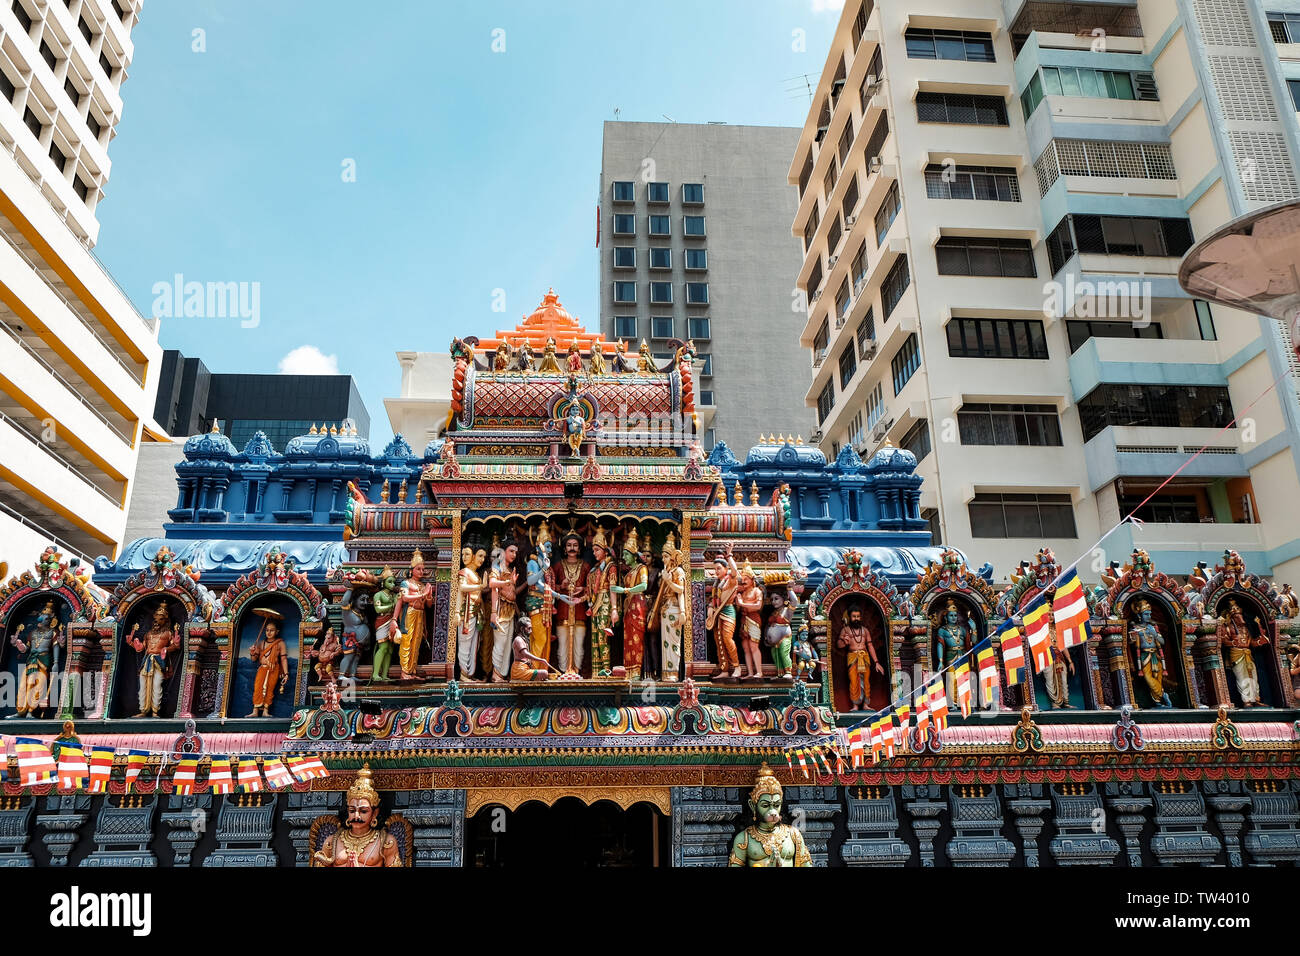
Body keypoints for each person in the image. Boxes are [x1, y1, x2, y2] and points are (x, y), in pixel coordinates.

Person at [312, 764, 402, 867]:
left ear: (374, 813)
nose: (356, 816)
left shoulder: (386, 842)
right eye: (352, 810)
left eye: (363, 811)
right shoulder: (332, 841)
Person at [728, 762, 812, 867]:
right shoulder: (744, 839)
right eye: (765, 805)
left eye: (776, 805)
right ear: (753, 805)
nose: (772, 811)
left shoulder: (793, 835)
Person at [8, 600, 65, 718]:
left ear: (51, 620)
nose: (41, 618)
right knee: (24, 685)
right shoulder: (33, 633)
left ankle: (31, 711)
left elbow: (55, 647)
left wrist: (56, 662)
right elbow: (25, 649)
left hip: (44, 660)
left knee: (38, 685)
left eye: (44, 617)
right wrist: (18, 644)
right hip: (31, 660)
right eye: (40, 615)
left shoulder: (53, 632)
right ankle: (21, 711)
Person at [126, 600, 181, 717]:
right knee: (143, 687)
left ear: (165, 620)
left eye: (160, 618)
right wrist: (133, 643)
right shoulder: (148, 634)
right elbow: (141, 648)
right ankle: (143, 710)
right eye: (155, 617)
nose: (156, 620)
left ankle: (155, 711)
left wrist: (168, 648)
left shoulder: (168, 633)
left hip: (159, 661)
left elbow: (175, 646)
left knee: (156, 685)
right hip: (146, 661)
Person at [1217, 599, 1270, 707]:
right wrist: (1232, 642)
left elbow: (1251, 643)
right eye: (1235, 613)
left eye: (1238, 611)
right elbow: (1222, 640)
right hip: (1236, 653)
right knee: (1242, 677)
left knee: (1253, 676)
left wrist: (1260, 641)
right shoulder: (1228, 627)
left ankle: (1255, 698)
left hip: (1248, 653)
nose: (1238, 615)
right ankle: (1246, 700)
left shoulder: (1246, 628)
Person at [553, 531, 589, 677]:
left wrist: (583, 589)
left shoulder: (586, 566)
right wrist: (561, 586)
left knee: (578, 646)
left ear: (579, 548)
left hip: (580, 611)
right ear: (564, 548)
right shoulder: (557, 566)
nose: (572, 548)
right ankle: (564, 672)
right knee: (562, 646)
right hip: (562, 611)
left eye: (575, 545)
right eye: (569, 545)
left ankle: (577, 672)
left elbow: (593, 588)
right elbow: (549, 587)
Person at [395, 550, 434, 681]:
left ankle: (412, 670)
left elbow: (429, 605)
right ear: (412, 570)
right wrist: (423, 594)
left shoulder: (422, 585)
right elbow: (405, 598)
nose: (421, 572)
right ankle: (404, 671)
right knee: (407, 640)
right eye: (418, 569)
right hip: (409, 613)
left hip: (420, 614)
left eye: (423, 569)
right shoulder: (406, 583)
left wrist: (429, 595)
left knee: (416, 642)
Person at [707, 543, 743, 681]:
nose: (716, 571)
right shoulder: (716, 584)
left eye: (718, 568)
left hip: (728, 612)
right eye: (715, 569)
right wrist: (710, 610)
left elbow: (734, 571)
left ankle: (737, 666)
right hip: (717, 615)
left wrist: (729, 555)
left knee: (727, 639)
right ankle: (724, 669)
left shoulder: (730, 581)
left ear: (725, 568)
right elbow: (712, 600)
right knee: (719, 640)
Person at [837, 603, 882, 712]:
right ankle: (855, 706)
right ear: (850, 617)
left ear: (861, 617)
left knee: (866, 681)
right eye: (854, 616)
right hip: (852, 657)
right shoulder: (846, 630)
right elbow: (839, 645)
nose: (856, 619)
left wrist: (876, 662)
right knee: (854, 681)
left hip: (865, 657)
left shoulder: (865, 630)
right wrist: (844, 641)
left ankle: (866, 704)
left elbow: (870, 645)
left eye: (858, 616)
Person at [488, 539, 521, 682]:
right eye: (511, 551)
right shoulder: (497, 568)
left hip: (510, 610)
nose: (514, 554)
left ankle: (502, 673)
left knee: (508, 645)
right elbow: (492, 584)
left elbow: (512, 592)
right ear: (503, 552)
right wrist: (494, 613)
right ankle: (495, 674)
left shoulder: (508, 570)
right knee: (500, 643)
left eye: (515, 552)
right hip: (500, 610)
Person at [246, 614, 290, 717]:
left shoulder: (280, 643)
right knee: (258, 688)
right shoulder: (261, 643)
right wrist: (252, 652)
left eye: (272, 630)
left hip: (273, 669)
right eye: (267, 630)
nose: (269, 632)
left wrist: (286, 673)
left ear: (277, 631)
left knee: (269, 689)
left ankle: (266, 711)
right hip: (262, 669)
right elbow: (254, 659)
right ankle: (255, 711)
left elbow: (283, 659)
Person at [586, 527, 616, 677]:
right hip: (596, 602)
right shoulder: (595, 570)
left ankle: (607, 669)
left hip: (606, 602)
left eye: (597, 550)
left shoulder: (611, 567)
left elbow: (613, 588)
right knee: (595, 637)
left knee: (603, 636)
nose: (595, 553)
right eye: (593, 550)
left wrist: (615, 609)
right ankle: (596, 671)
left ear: (605, 550)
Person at [455, 546, 486, 682]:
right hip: (465, 612)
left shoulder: (476, 575)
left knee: (475, 644)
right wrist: (456, 612)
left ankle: (470, 673)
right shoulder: (464, 572)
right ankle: (463, 674)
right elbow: (461, 589)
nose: (464, 557)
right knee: (465, 643)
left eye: (467, 554)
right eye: (464, 554)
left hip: (476, 612)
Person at [735, 560, 765, 680]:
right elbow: (739, 606)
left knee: (753, 646)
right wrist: (738, 603)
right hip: (744, 620)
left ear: (752, 579)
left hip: (753, 620)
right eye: (742, 578)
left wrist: (742, 604)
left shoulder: (757, 591)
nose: (744, 581)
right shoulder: (742, 593)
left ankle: (759, 672)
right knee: (746, 647)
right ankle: (750, 673)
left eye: (746, 578)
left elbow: (758, 606)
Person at [766, 591, 794, 681]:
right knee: (776, 655)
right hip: (773, 642)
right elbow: (768, 625)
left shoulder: (787, 611)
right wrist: (766, 637)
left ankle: (788, 672)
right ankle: (780, 674)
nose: (773, 601)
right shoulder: (774, 612)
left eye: (776, 599)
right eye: (772, 599)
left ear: (784, 599)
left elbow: (795, 601)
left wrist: (790, 589)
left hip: (784, 636)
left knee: (783, 653)